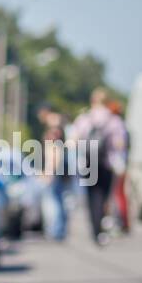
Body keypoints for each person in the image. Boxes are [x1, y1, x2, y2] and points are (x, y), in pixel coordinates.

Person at [69, 87, 128, 245]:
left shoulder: (85, 118)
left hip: (89, 163)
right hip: (106, 163)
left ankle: (95, 230)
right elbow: (120, 143)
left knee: (91, 197)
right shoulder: (114, 120)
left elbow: (73, 140)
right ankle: (101, 226)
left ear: (92, 101)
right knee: (103, 196)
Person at [37, 104, 70, 241]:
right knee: (58, 199)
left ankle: (55, 230)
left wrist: (49, 172)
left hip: (54, 170)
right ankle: (59, 229)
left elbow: (55, 153)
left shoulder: (53, 129)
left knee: (52, 201)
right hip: (58, 170)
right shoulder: (59, 128)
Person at [107, 97, 131, 233]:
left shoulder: (114, 124)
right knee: (120, 194)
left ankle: (120, 222)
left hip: (115, 164)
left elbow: (120, 144)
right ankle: (123, 221)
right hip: (120, 163)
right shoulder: (121, 124)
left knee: (115, 195)